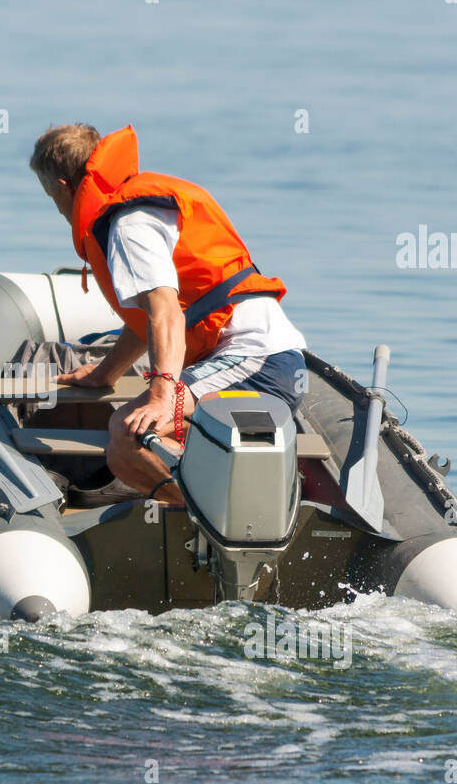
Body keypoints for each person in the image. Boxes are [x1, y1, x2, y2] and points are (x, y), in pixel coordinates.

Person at [29, 123, 308, 505]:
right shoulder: (142, 208)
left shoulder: (129, 225)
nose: (59, 209)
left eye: (51, 198)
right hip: (261, 359)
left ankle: (215, 515)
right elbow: (147, 322)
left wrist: (162, 396)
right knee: (136, 429)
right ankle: (207, 507)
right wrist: (105, 373)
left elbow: (167, 315)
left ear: (63, 186)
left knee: (127, 434)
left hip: (257, 360)